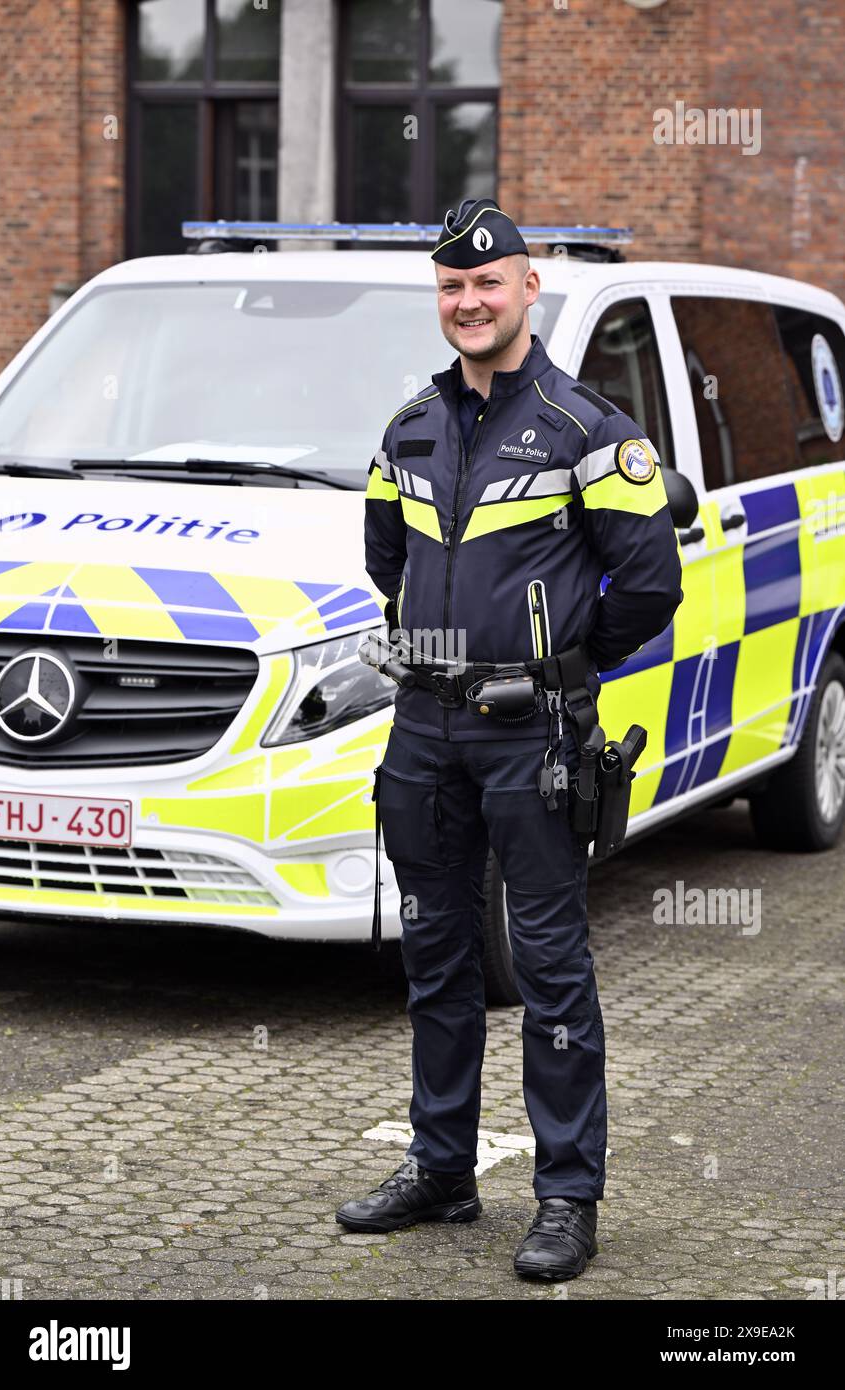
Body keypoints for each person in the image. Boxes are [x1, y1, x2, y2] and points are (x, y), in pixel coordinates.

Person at [335, 198, 683, 1281]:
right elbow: (385, 562)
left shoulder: (589, 431)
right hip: (423, 729)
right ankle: (440, 1169)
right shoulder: (408, 427)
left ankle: (566, 1196)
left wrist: (561, 664)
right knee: (436, 961)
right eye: (450, 287)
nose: (468, 301)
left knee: (546, 969)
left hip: (531, 736)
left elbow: (649, 585)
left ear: (528, 289)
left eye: (487, 284)